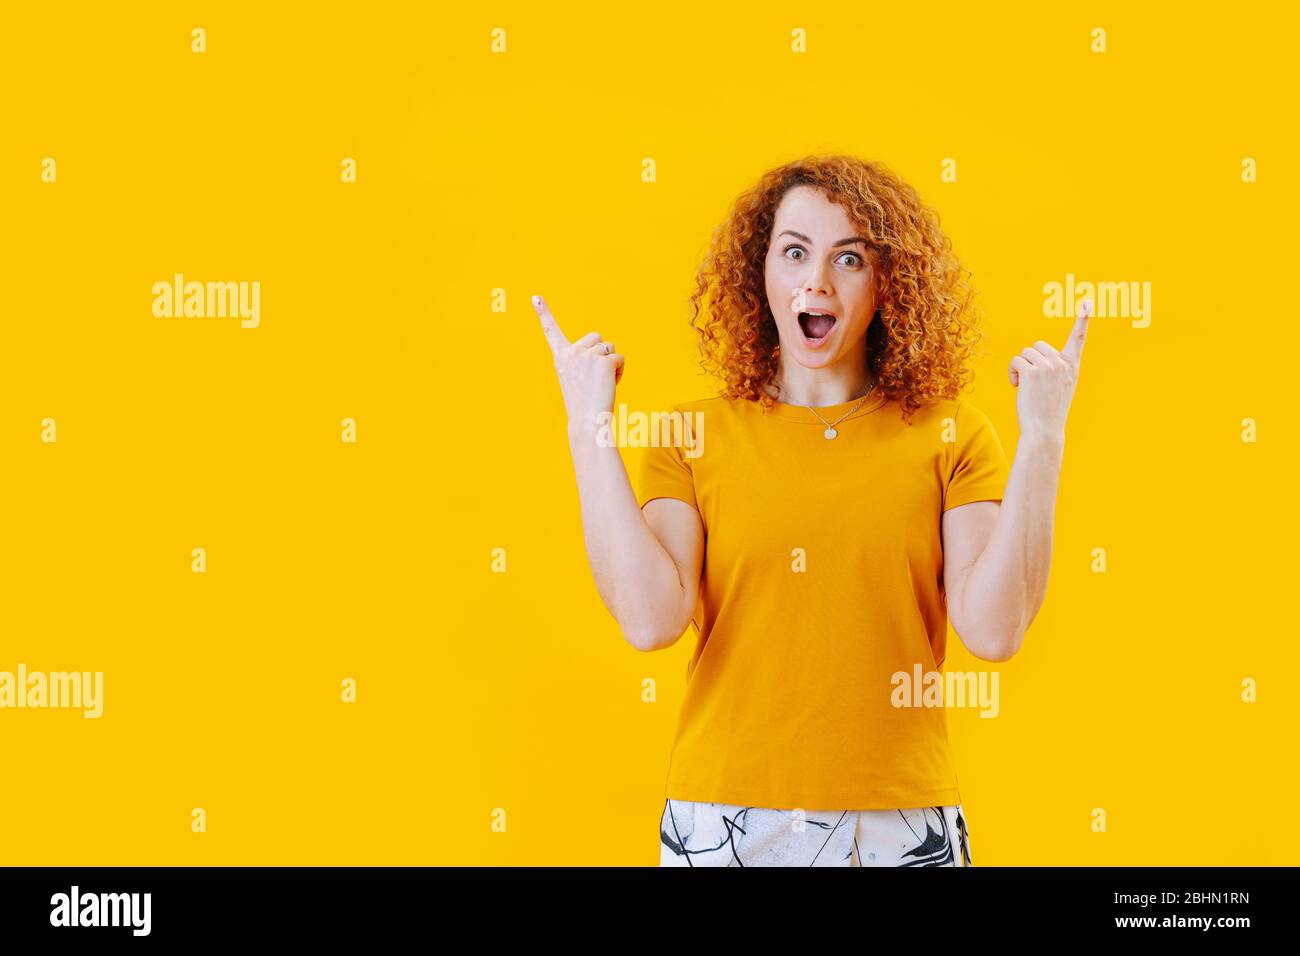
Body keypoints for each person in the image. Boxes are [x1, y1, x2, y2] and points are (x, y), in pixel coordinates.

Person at [533, 154, 1089, 867]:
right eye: (794, 252)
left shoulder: (951, 434)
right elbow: (649, 619)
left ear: (888, 283)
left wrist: (1044, 437)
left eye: (849, 258)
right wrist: (589, 427)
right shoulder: (692, 436)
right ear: (758, 272)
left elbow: (995, 629)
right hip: (726, 816)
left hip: (902, 818)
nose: (816, 281)